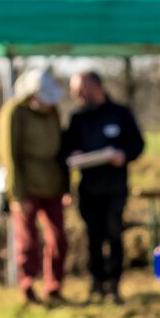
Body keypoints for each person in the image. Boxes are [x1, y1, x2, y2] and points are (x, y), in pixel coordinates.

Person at [64, 69, 145, 303]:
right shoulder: (77, 118)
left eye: (81, 89)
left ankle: (114, 285)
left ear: (96, 87)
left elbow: (137, 144)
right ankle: (96, 284)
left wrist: (124, 155)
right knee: (93, 237)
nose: (77, 94)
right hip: (89, 189)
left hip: (114, 189)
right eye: (74, 91)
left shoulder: (120, 113)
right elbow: (65, 151)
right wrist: (74, 154)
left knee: (114, 235)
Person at [0, 67, 69, 306]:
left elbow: (60, 151)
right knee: (27, 241)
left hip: (53, 185)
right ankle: (27, 284)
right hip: (26, 187)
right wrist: (17, 194)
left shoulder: (53, 113)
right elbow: (10, 155)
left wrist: (66, 186)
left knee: (58, 239)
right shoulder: (14, 112)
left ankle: (54, 285)